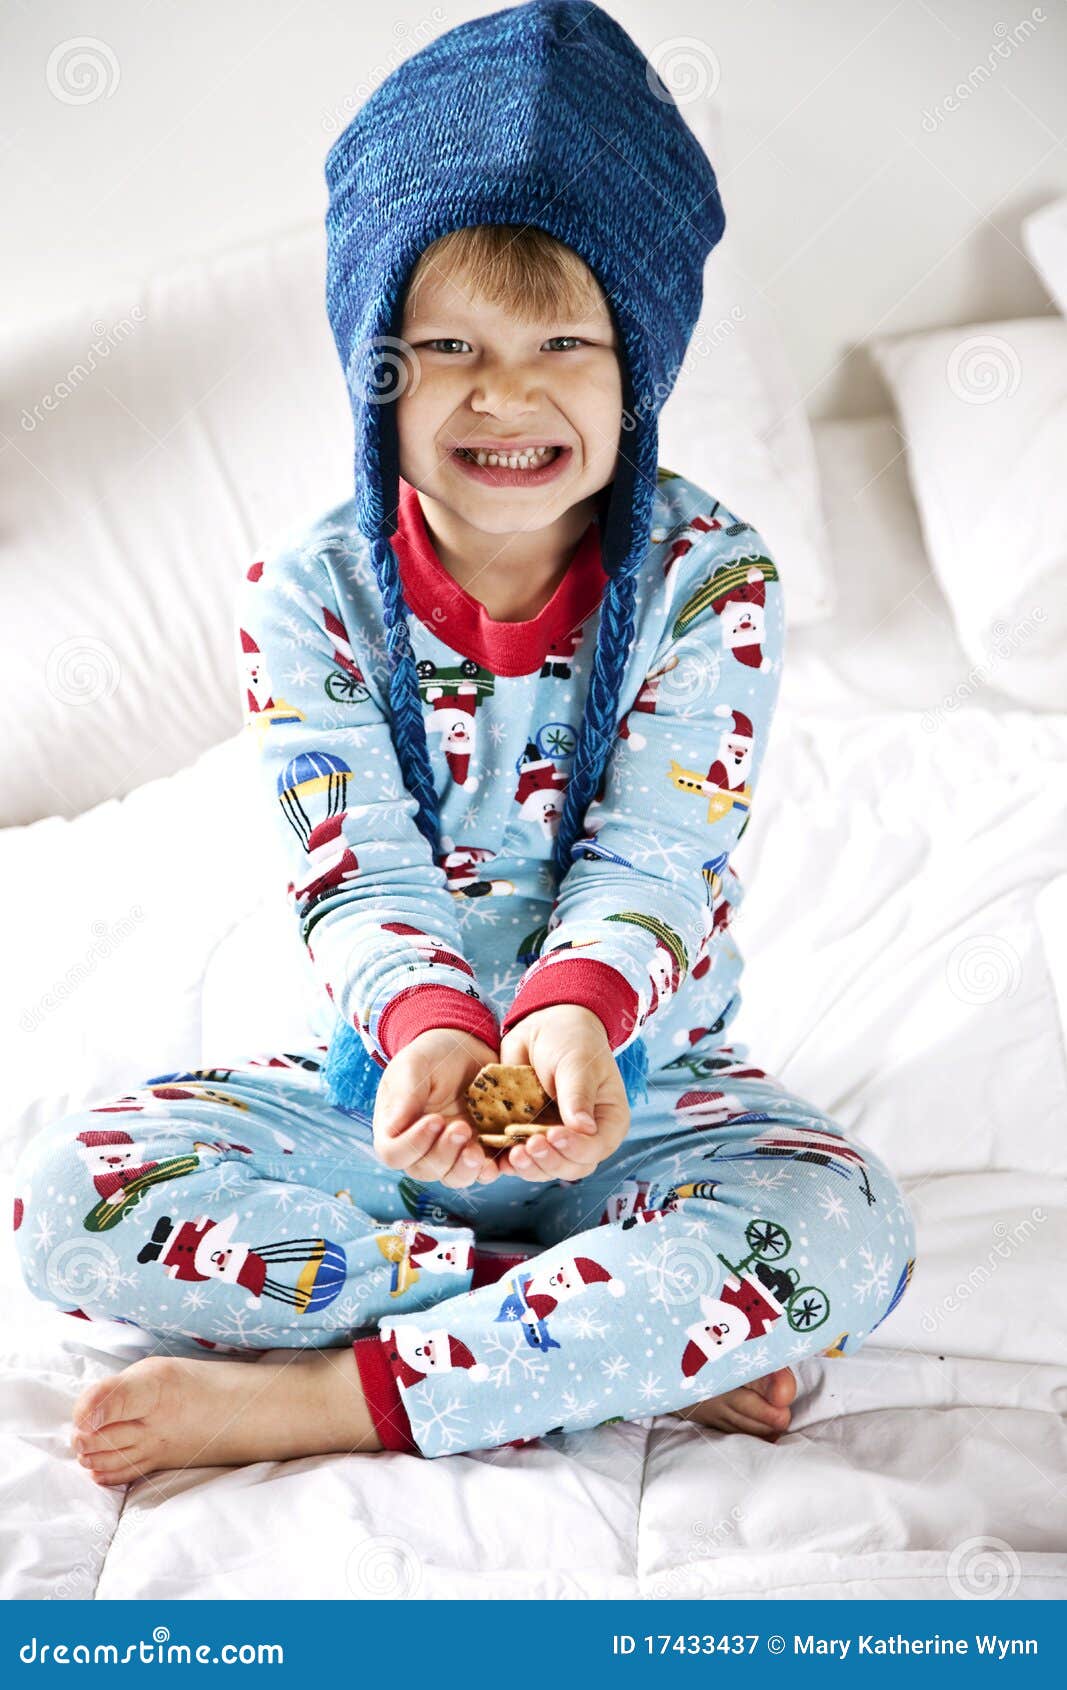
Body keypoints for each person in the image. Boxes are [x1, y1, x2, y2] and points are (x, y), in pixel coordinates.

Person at [12, 0, 916, 1483]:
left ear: (640, 362)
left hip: (644, 1089)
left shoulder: (711, 580)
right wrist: (432, 1035)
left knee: (848, 1230)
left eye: (566, 341)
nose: (507, 393)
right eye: (447, 347)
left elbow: (660, 846)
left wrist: (578, 1020)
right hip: (381, 1096)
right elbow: (354, 862)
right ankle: (586, 1328)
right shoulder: (309, 597)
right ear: (375, 364)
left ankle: (337, 1394)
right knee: (66, 1204)